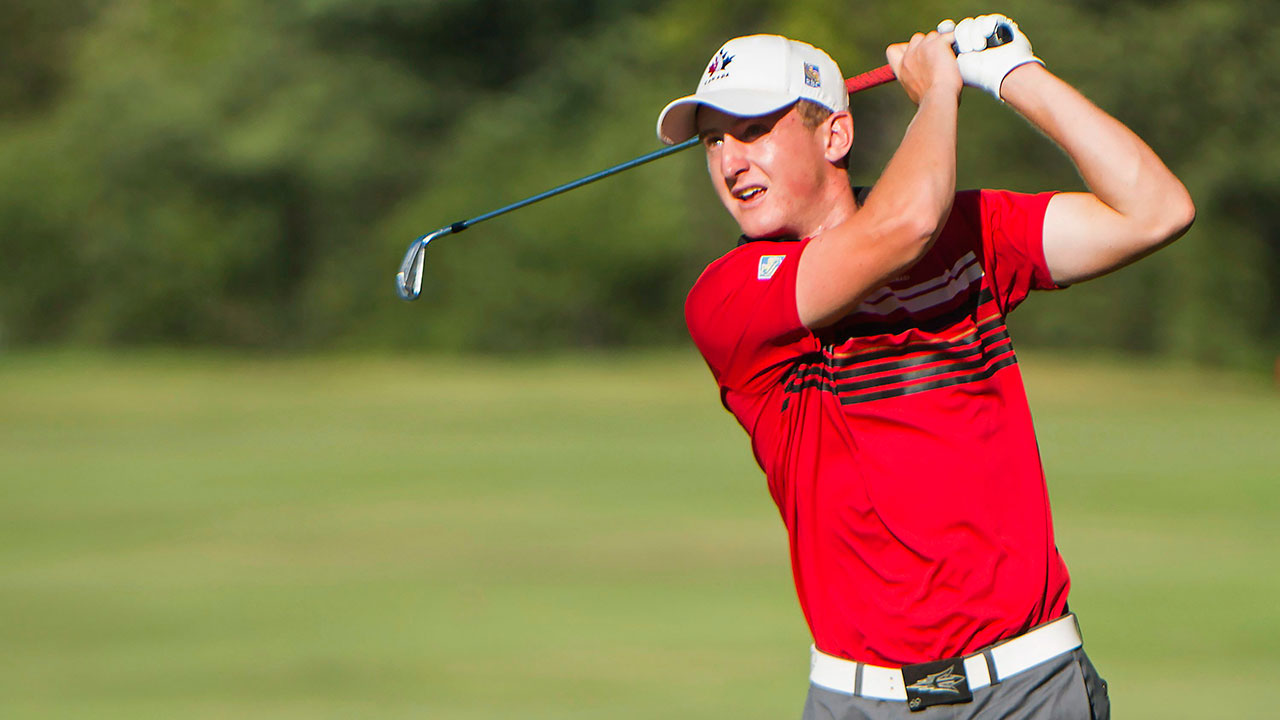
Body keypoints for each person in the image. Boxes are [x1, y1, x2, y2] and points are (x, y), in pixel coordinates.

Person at [654, 14, 1193, 720]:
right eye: (713, 140)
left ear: (835, 134)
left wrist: (1010, 75)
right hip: (861, 698)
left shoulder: (968, 235)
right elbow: (902, 227)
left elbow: (1156, 210)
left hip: (1034, 685)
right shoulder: (730, 297)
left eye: (753, 131)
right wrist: (939, 93)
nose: (730, 162)